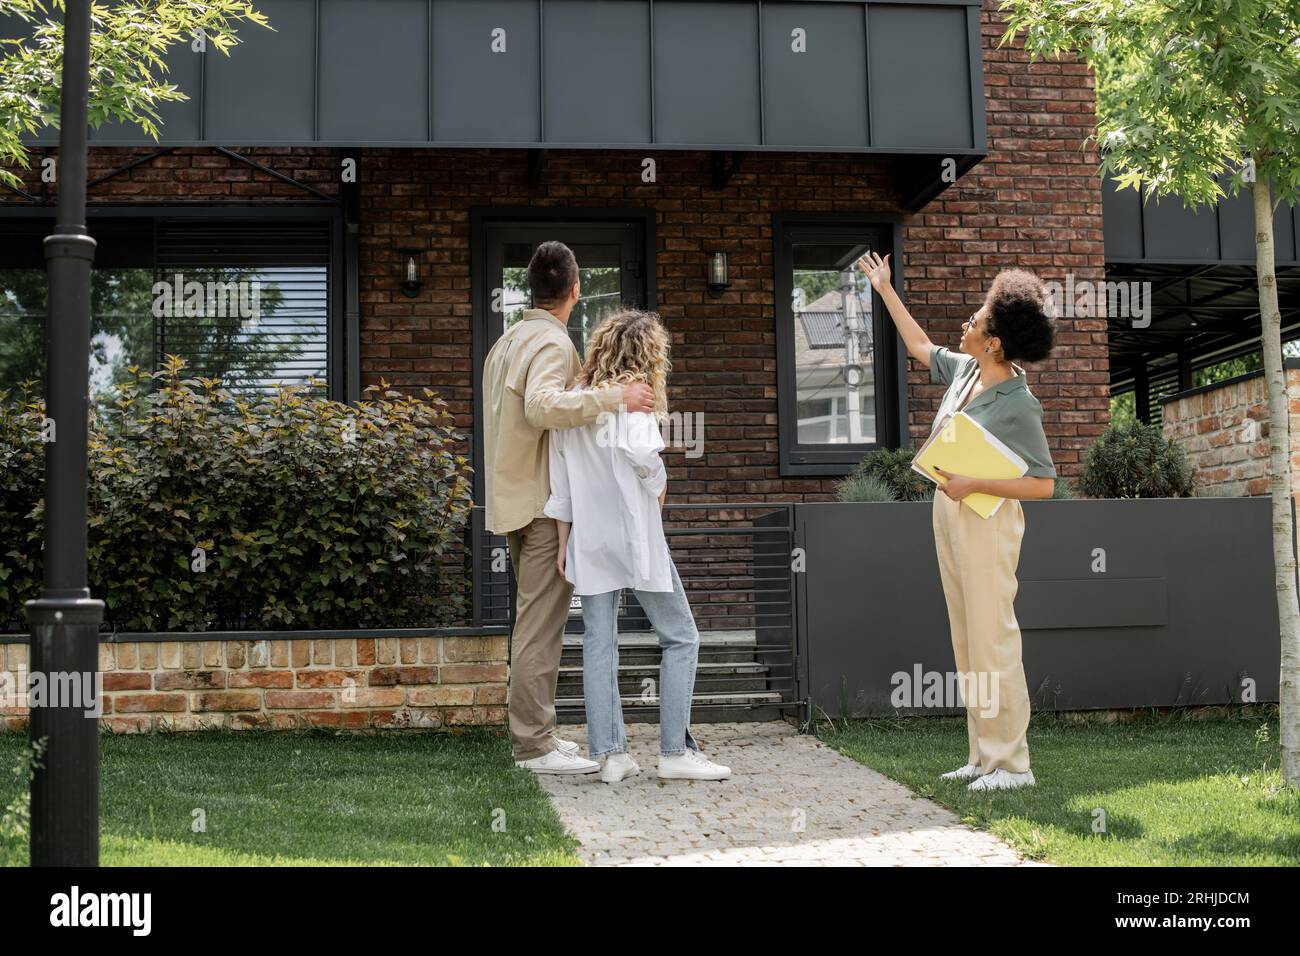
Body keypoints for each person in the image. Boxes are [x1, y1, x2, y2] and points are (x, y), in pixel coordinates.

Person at [858, 251, 1057, 791]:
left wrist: (975, 485)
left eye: (978, 318)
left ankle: (1013, 764)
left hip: (987, 520)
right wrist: (885, 289)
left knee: (993, 638)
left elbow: (1043, 484)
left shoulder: (1019, 402)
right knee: (967, 638)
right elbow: (920, 347)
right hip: (950, 510)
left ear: (994, 341)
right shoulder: (967, 369)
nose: (968, 322)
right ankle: (981, 754)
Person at [481, 241, 656, 775]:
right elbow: (540, 408)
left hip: (515, 499)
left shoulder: (508, 340)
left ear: (532, 288)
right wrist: (614, 399)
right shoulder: (553, 343)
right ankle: (533, 746)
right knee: (540, 627)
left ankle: (540, 735)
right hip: (539, 506)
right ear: (576, 291)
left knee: (536, 623)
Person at [543, 309, 732, 783]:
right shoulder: (636, 401)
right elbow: (647, 465)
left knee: (598, 643)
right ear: (650, 356)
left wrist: (564, 544)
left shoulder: (572, 405)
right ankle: (674, 751)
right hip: (637, 538)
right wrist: (659, 483)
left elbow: (560, 487)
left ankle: (611, 756)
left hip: (589, 540)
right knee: (681, 636)